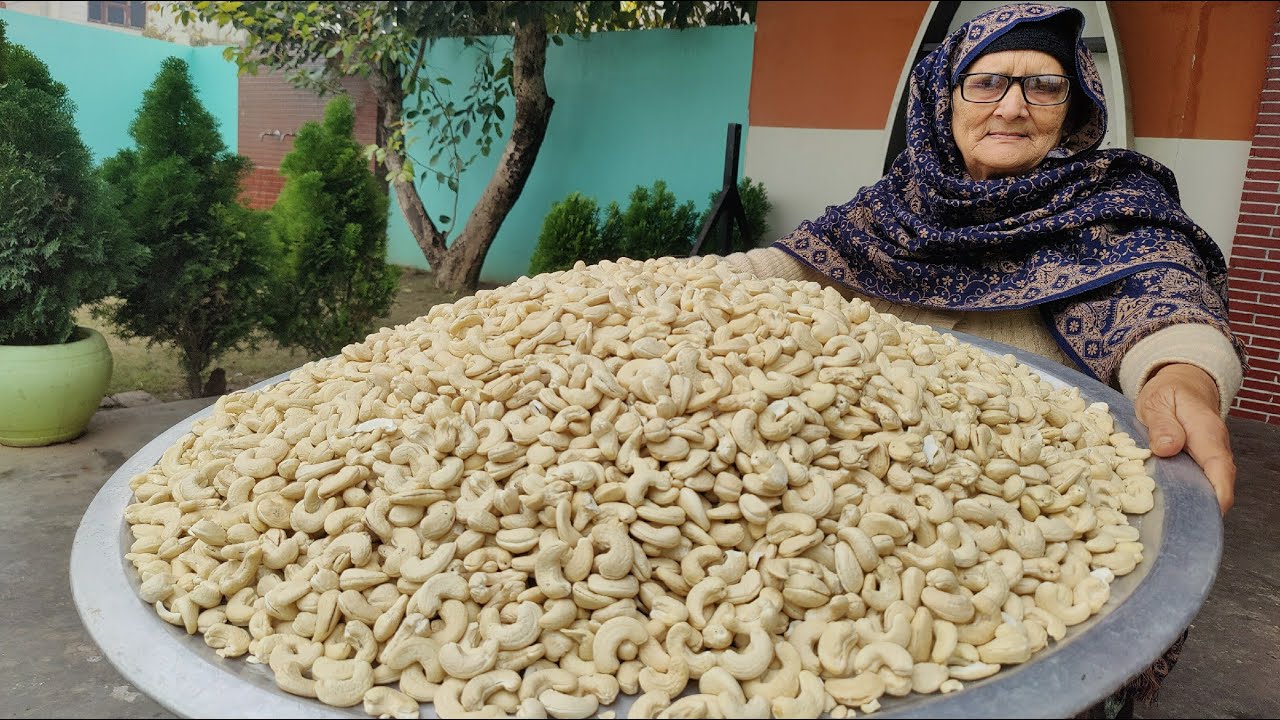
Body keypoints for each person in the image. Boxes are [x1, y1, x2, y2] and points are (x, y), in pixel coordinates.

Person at [718, 3, 1246, 717]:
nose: (1014, 107)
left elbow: (1166, 300)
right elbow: (781, 269)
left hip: (1010, 533)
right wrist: (628, 286)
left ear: (1077, 104)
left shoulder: (1113, 206)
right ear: (945, 93)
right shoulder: (893, 209)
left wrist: (1180, 377)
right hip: (845, 524)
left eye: (1044, 86)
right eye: (987, 82)